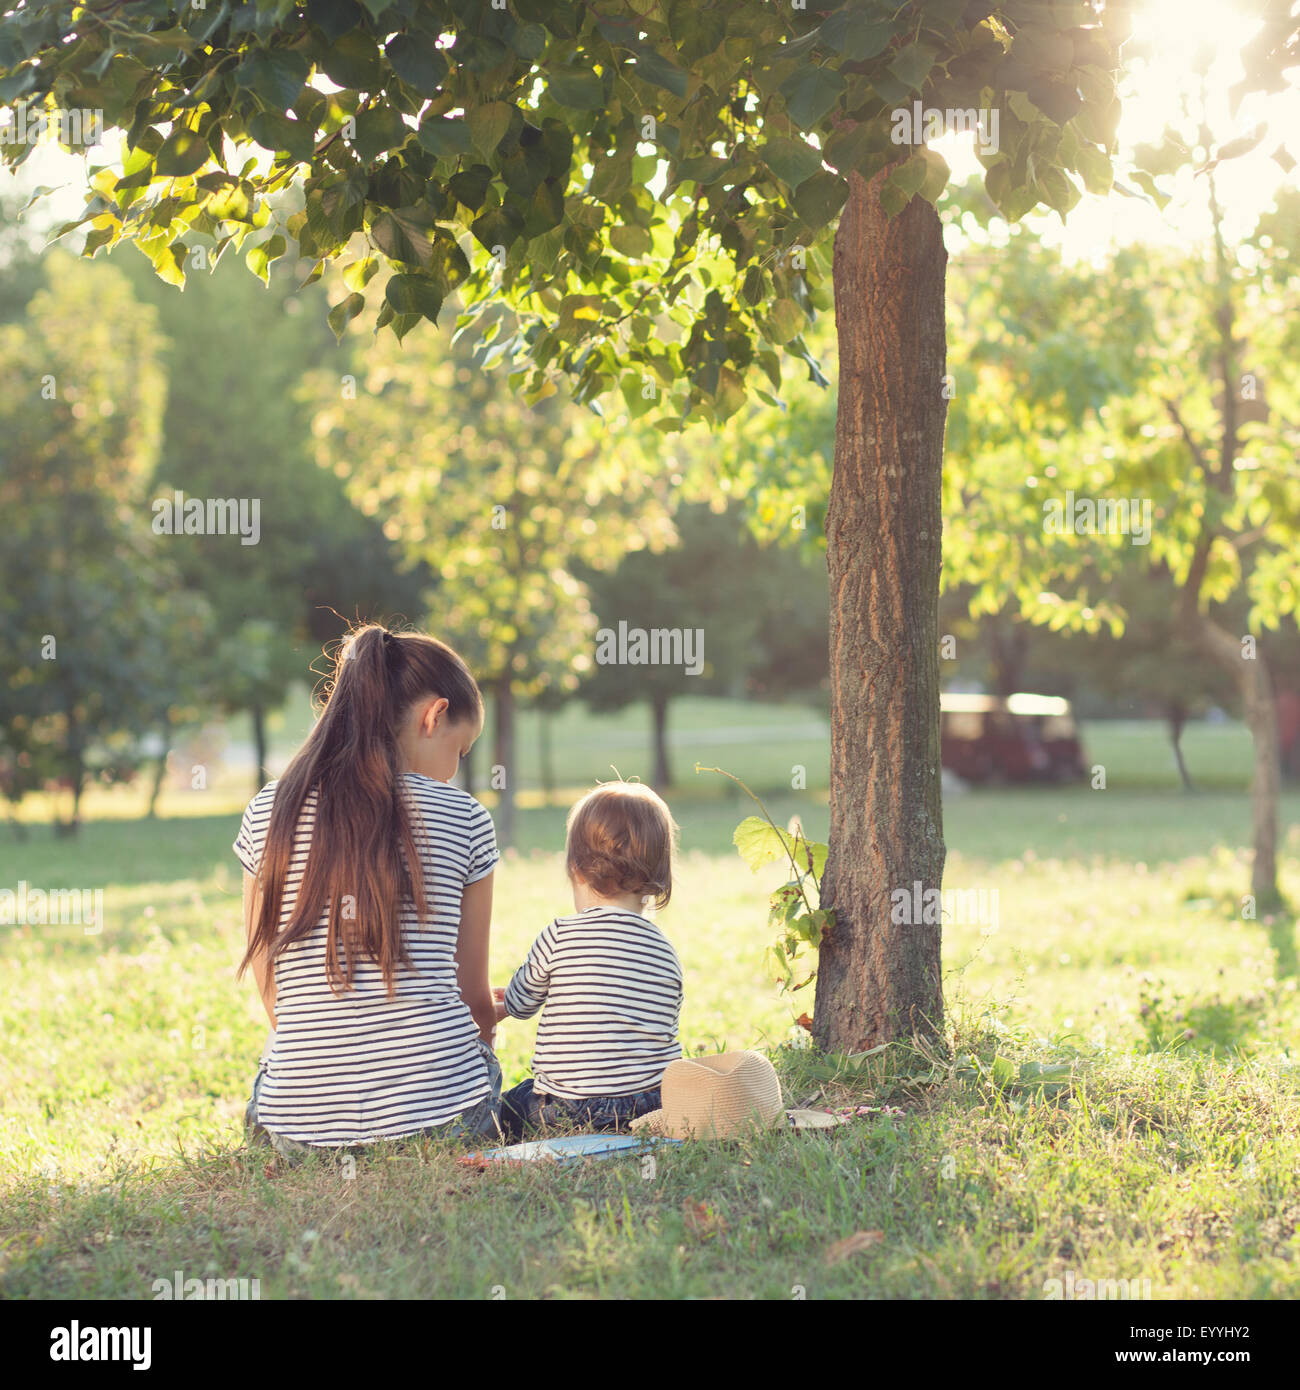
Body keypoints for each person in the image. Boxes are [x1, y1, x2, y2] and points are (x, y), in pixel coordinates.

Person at [235, 624, 502, 1159]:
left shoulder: (272, 807)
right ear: (434, 716)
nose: (456, 770)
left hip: (297, 1131)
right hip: (441, 1121)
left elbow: (270, 984)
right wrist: (486, 1030)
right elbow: (472, 995)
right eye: (462, 749)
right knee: (481, 1064)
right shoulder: (466, 818)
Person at [496, 781, 683, 1142]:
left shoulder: (559, 934)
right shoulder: (664, 950)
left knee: (511, 1104)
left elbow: (520, 1004)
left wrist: (503, 1003)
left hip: (564, 1109)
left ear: (575, 870)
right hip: (650, 1106)